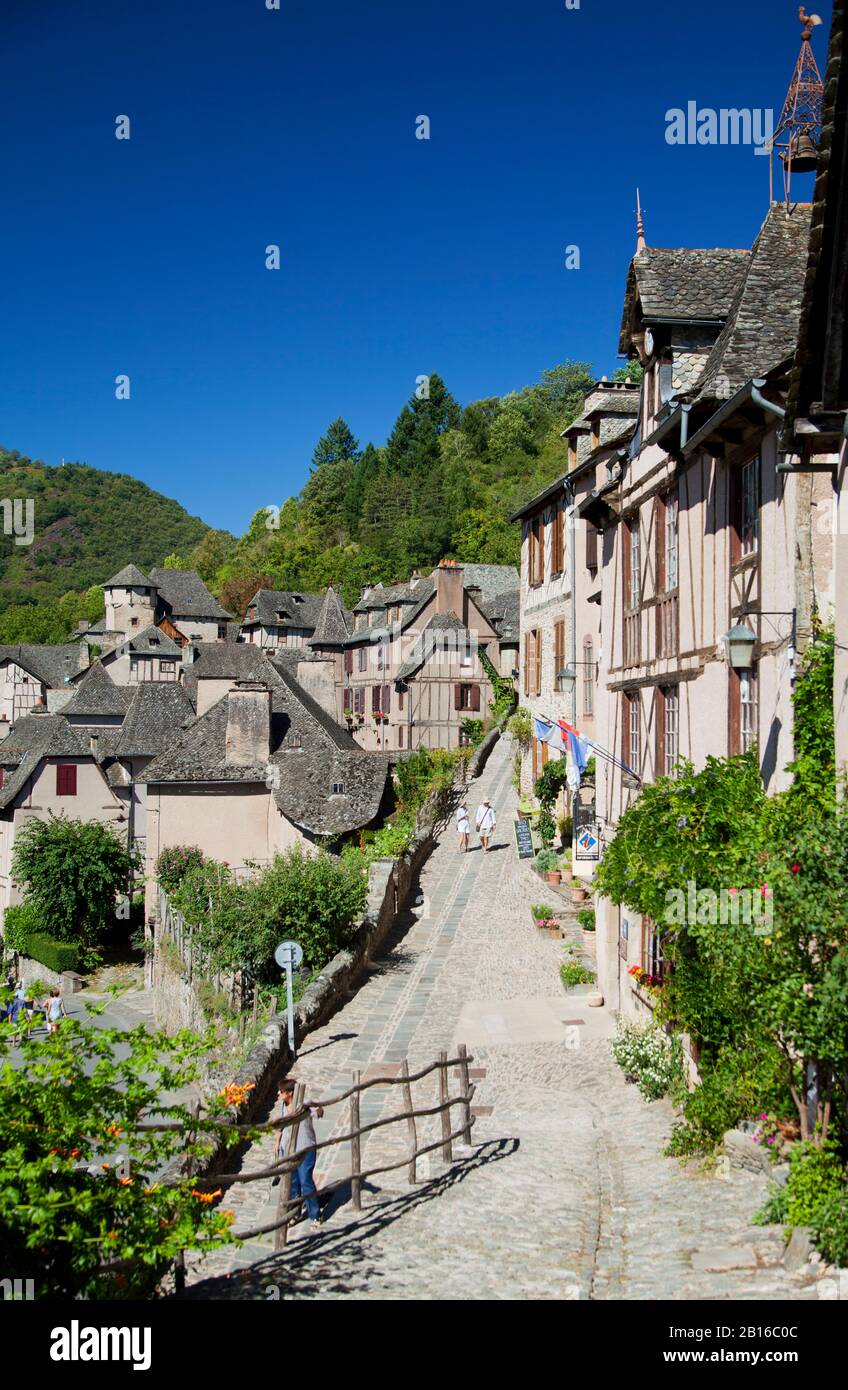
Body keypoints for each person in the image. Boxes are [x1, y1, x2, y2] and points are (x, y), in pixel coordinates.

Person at [275, 1077, 325, 1228]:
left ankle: (316, 1215)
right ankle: (295, 1213)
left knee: (305, 1181)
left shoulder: (303, 1104)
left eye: (281, 1092)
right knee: (293, 1184)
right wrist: (277, 1141)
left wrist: (318, 1110)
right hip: (288, 1150)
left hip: (305, 1148)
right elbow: (282, 1123)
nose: (278, 1094)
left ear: (289, 1093)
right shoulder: (284, 1105)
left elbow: (318, 1109)